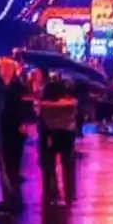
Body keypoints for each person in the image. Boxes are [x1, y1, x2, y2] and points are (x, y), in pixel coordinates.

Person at [0, 58, 31, 213]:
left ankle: (14, 201)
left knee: (12, 164)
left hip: (15, 129)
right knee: (6, 164)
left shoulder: (18, 87)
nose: (0, 71)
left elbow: (24, 107)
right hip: (5, 127)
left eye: (2, 68)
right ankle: (9, 198)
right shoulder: (3, 86)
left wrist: (23, 122)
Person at [38, 76, 78, 205]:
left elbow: (42, 119)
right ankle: (69, 192)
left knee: (49, 166)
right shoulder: (71, 104)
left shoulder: (45, 105)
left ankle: (52, 192)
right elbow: (73, 117)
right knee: (68, 165)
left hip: (49, 135)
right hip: (67, 135)